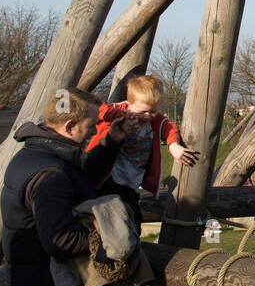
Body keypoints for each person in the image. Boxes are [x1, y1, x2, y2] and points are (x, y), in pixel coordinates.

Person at [1, 86, 134, 286]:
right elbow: (59, 238)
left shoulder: (38, 156)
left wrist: (112, 141)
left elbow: (78, 176)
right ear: (70, 127)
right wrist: (110, 246)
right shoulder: (49, 174)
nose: (92, 133)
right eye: (90, 127)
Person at [85, 75, 198, 218]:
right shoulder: (118, 112)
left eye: (152, 111)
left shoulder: (155, 121)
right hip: (108, 177)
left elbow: (169, 128)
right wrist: (120, 115)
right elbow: (98, 108)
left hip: (131, 181)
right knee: (111, 215)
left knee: (130, 214)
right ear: (129, 104)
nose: (147, 116)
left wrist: (174, 146)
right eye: (141, 112)